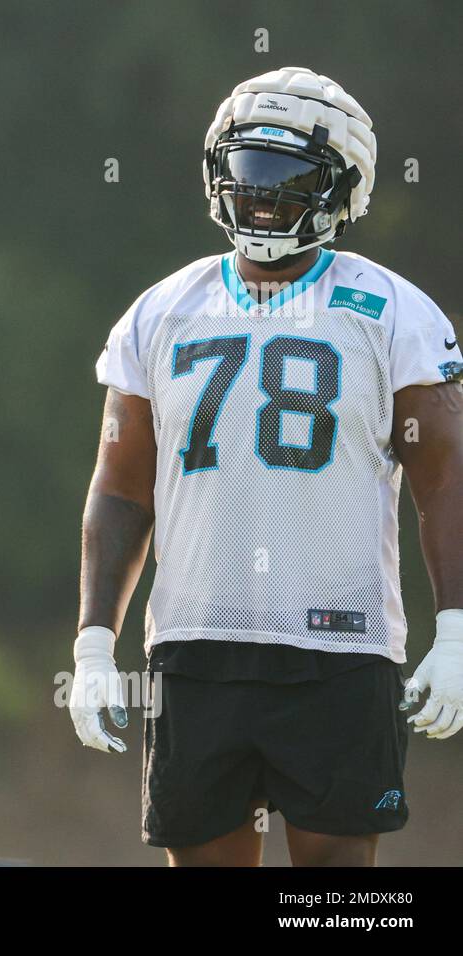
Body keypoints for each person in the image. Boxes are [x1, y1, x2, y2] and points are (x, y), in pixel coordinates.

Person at [71, 66, 463, 866]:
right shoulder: (160, 311)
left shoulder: (394, 312)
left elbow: (446, 481)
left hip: (341, 647)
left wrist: (456, 632)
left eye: (288, 179)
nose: (261, 198)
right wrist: (91, 640)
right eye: (248, 173)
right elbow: (120, 490)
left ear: (342, 191)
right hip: (195, 641)